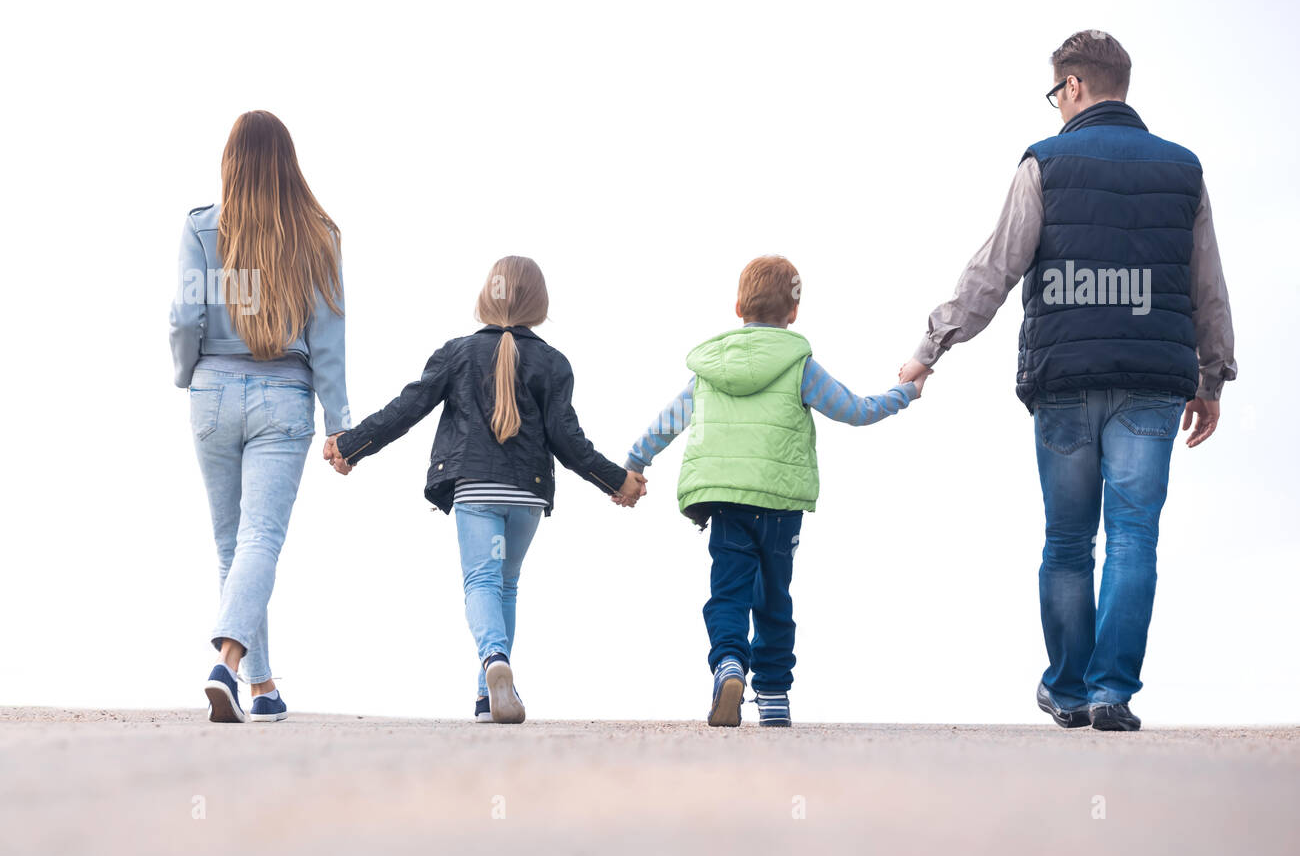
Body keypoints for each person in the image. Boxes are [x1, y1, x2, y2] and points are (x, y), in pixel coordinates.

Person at [898, 31, 1237, 731]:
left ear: (1074, 87)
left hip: (1066, 379)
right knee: (1134, 535)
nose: (1056, 107)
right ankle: (1113, 689)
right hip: (1153, 379)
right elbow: (1209, 284)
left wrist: (932, 346)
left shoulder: (1044, 163)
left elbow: (994, 268)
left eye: (1057, 93)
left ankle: (1071, 687)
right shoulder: (1184, 169)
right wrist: (1214, 377)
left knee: (1068, 539)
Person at [323, 256, 646, 723]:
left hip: (476, 488)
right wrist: (617, 481)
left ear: (483, 299)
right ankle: (486, 696)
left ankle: (494, 660)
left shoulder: (458, 353)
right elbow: (567, 441)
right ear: (539, 306)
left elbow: (407, 408)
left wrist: (352, 446)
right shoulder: (553, 364)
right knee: (506, 586)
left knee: (481, 581)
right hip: (527, 497)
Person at [619, 255, 923, 727]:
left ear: (738, 305)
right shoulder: (799, 366)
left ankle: (729, 664)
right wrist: (905, 391)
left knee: (729, 591)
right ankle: (775, 693)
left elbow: (669, 422)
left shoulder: (710, 368)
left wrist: (635, 464)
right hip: (780, 505)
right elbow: (855, 410)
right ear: (794, 313)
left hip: (724, 502)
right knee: (774, 596)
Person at [171, 110, 350, 723]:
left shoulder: (201, 229)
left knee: (234, 543)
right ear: (288, 164)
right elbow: (329, 339)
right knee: (259, 540)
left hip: (212, 392)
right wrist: (339, 423)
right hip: (285, 396)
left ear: (231, 163)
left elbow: (184, 319)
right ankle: (228, 663)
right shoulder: (318, 235)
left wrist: (186, 373)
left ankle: (262, 687)